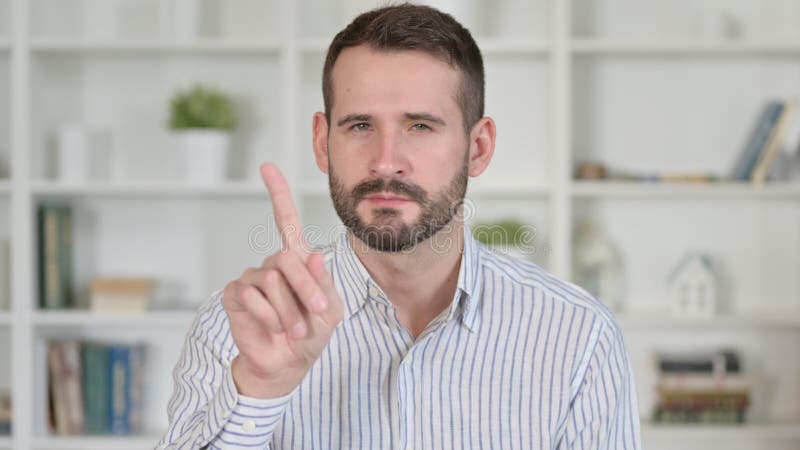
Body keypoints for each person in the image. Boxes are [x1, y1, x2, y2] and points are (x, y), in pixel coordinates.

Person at [157, 4, 641, 449]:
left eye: (420, 126)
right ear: (323, 143)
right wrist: (260, 390)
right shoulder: (237, 329)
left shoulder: (579, 335)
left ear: (478, 148)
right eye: (361, 126)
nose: (386, 163)